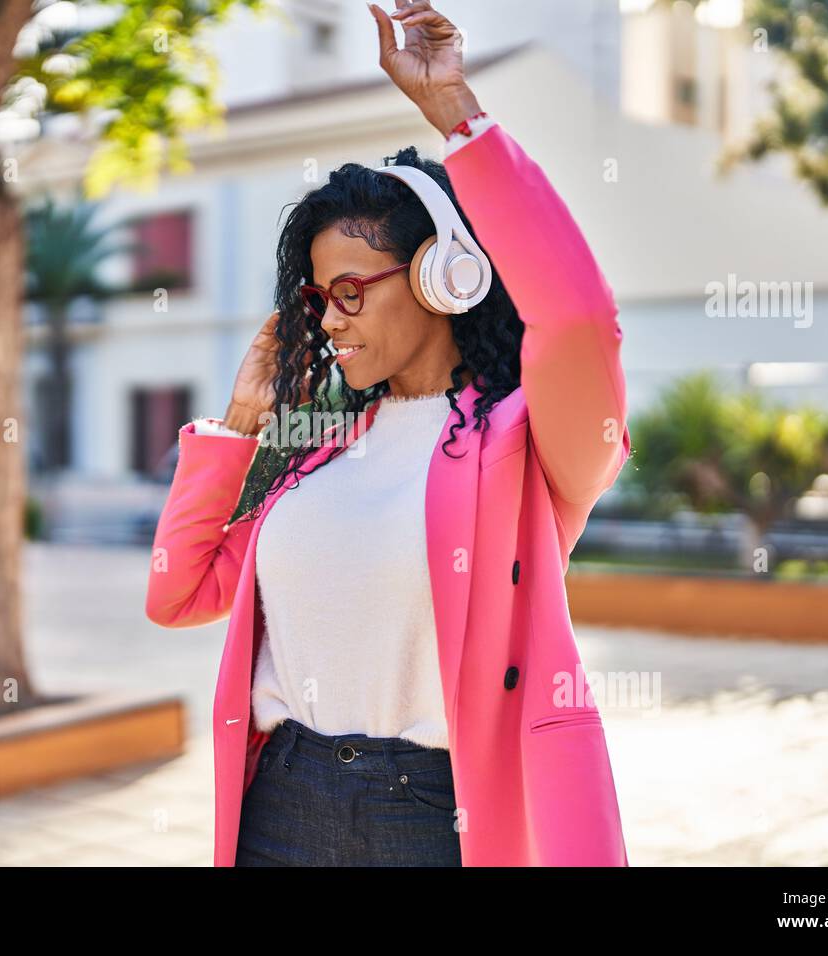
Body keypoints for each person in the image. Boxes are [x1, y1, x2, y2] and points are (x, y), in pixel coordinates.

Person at [146, 0, 632, 866]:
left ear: (445, 276)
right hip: (282, 802)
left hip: (435, 817)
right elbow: (178, 594)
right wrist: (238, 429)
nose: (329, 320)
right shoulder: (318, 457)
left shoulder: (526, 443)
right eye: (317, 298)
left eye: (351, 290)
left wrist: (455, 113)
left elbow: (581, 318)